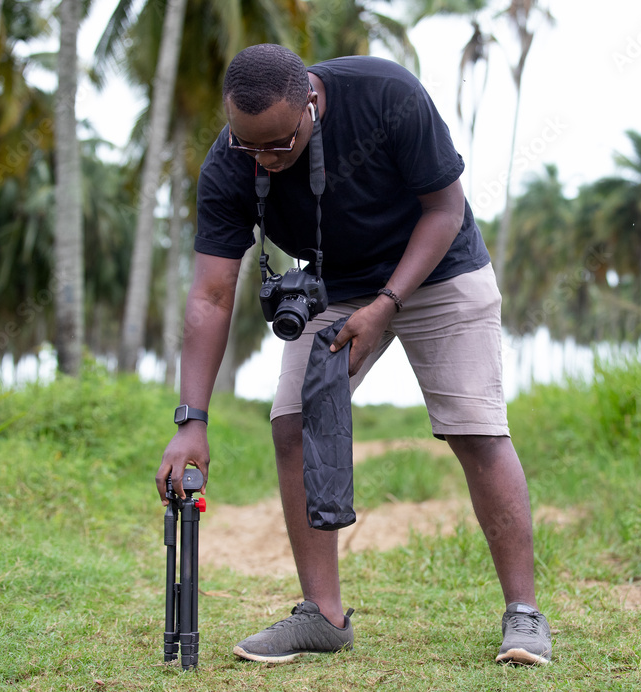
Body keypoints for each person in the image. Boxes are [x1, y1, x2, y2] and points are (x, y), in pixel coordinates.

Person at [154, 43, 552, 666]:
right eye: (248, 145)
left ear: (311, 103)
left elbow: (445, 209)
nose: (265, 159)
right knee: (293, 423)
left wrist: (388, 303)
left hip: (439, 266)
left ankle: (523, 614)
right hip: (336, 287)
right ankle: (323, 615)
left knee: (474, 429)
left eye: (280, 144)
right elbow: (210, 295)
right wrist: (191, 420)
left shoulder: (386, 95)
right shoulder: (231, 162)